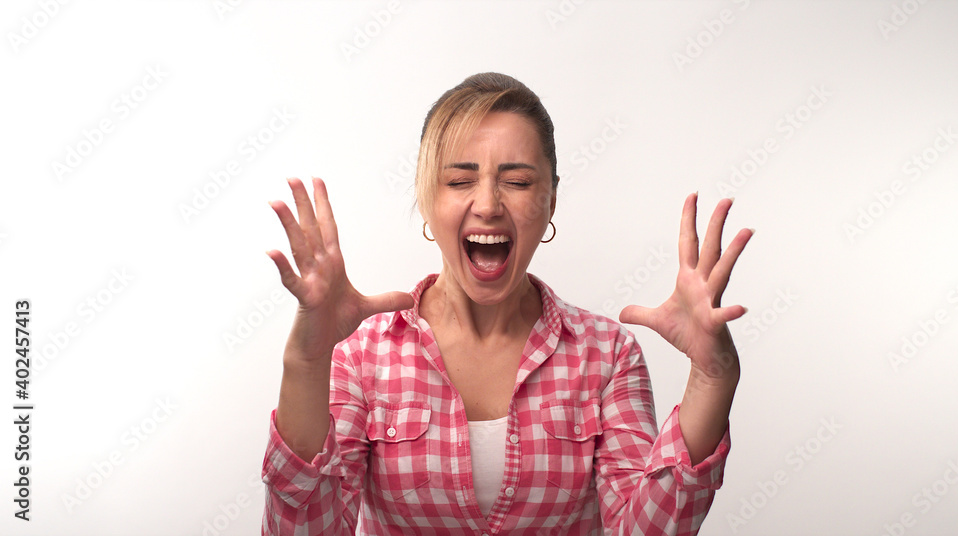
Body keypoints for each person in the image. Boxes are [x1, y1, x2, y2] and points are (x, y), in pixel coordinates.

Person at [260, 72, 753, 535]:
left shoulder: (608, 355)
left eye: (517, 182)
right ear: (427, 199)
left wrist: (714, 379)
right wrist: (305, 362)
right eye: (459, 181)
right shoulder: (362, 354)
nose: (490, 204)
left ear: (551, 202)